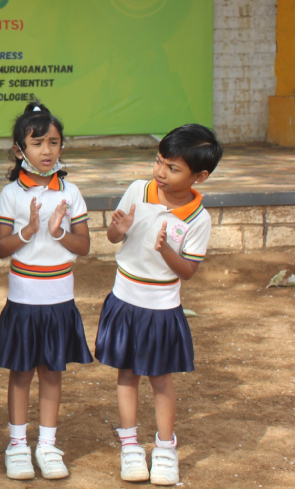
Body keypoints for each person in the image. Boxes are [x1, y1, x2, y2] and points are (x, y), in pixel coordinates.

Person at [96, 124, 221, 486]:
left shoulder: (200, 218)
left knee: (160, 378)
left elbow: (189, 270)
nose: (160, 172)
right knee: (127, 373)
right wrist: (119, 228)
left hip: (163, 307)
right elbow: (113, 236)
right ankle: (130, 446)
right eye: (159, 161)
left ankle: (165, 449)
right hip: (124, 300)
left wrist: (166, 249)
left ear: (200, 176)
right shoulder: (138, 190)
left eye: (172, 168)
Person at [0, 102, 93, 481]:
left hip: (58, 299)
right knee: (20, 372)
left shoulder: (72, 192)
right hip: (23, 299)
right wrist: (29, 231)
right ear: (20, 150)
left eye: (53, 142)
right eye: (37, 143)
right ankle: (17, 444)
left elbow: (84, 246)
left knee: (52, 372)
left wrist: (58, 232)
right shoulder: (11, 194)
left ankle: (47, 445)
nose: (46, 151)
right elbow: (1, 248)